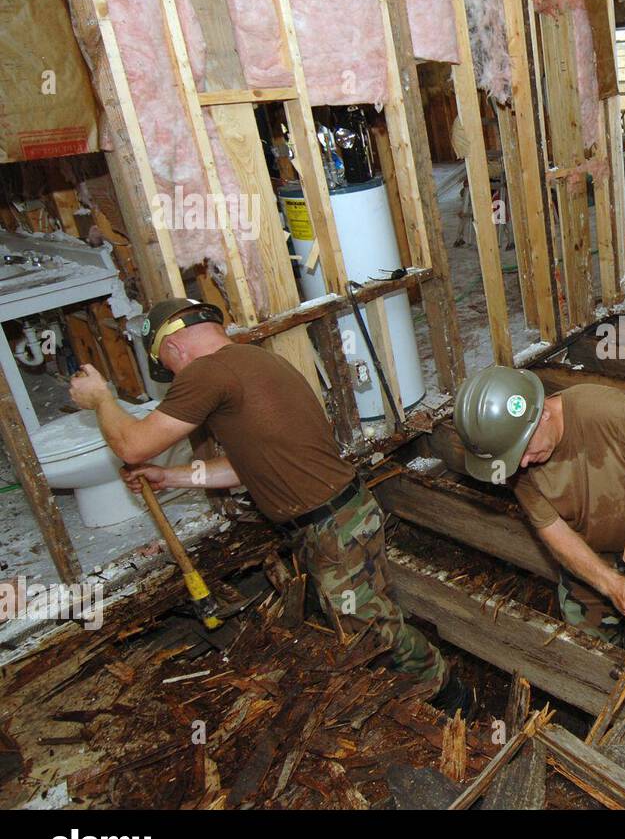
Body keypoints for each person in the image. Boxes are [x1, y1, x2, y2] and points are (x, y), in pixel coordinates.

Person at [67, 297, 469, 713]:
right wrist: (170, 477)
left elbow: (131, 445)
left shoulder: (207, 370)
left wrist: (101, 399)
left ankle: (447, 695)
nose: (173, 375)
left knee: (371, 630)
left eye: (166, 367)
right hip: (343, 515)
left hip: (332, 527)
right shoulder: (254, 362)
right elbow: (247, 468)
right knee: (372, 613)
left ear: (172, 347)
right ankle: (411, 688)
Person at [453, 366, 625, 652]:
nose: (521, 465)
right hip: (585, 555)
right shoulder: (514, 460)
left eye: (522, 450)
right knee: (587, 657)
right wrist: (611, 585)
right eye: (512, 457)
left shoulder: (602, 411)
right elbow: (553, 529)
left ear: (542, 414)